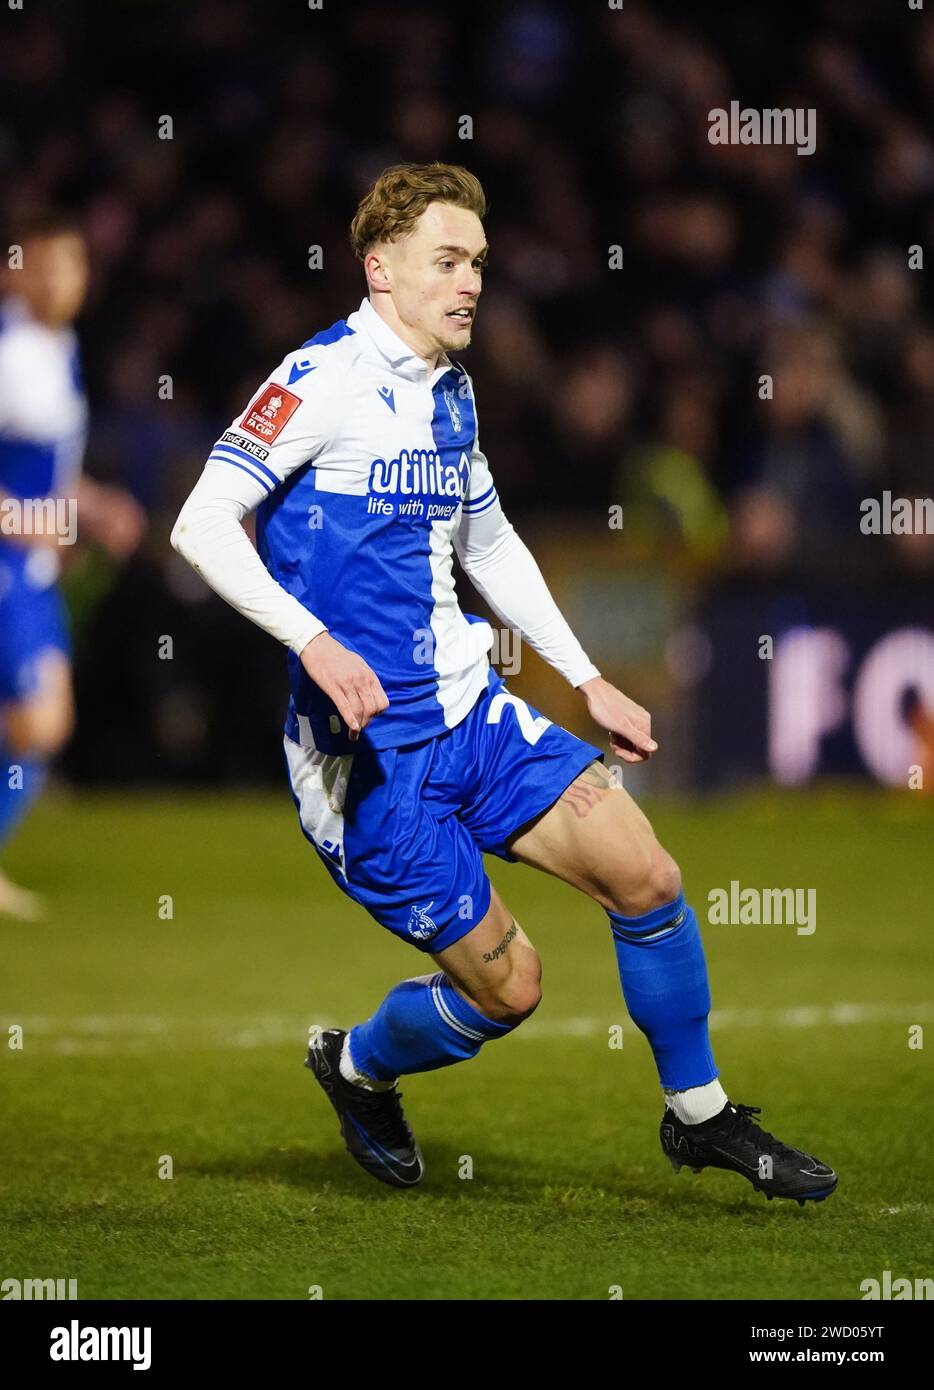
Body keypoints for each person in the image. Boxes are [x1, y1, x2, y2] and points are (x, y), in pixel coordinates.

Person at [171, 163, 836, 1205]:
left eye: (477, 262)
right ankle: (356, 1068)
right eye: (447, 260)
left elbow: (488, 538)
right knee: (509, 989)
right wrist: (313, 642)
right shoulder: (320, 379)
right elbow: (201, 523)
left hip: (470, 714)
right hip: (368, 760)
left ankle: (700, 1116)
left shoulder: (451, 390)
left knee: (646, 873)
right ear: (379, 266)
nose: (471, 282)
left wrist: (586, 678)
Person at [0, 211, 144, 919]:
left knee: (34, 723)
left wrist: (92, 506)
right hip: (6, 561)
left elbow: (46, 474)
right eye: (50, 266)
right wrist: (25, 522)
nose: (64, 282)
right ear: (13, 270)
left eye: (76, 267)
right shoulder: (7, 346)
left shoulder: (57, 348)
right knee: (44, 720)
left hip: (28, 565)